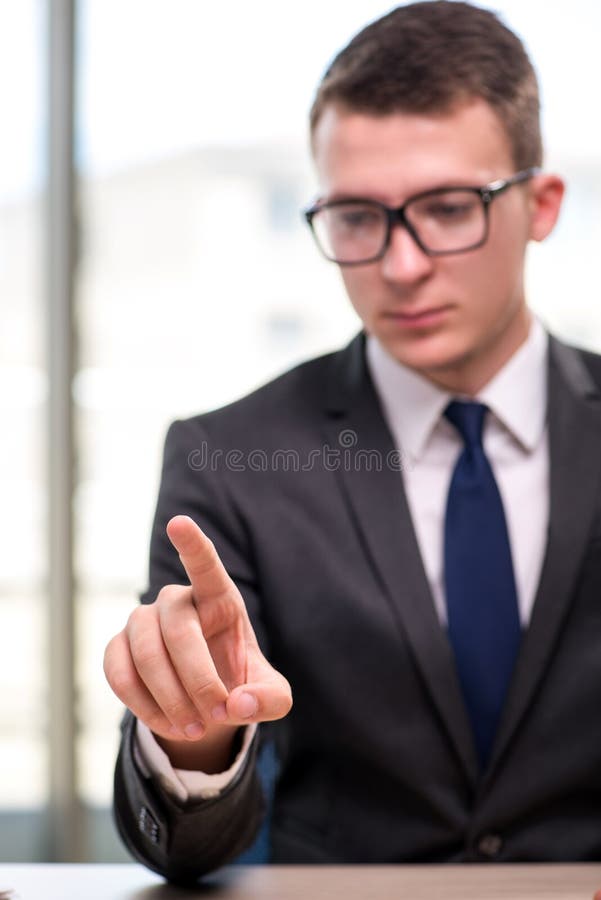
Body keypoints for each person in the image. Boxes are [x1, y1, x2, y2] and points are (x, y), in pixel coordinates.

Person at [104, 0, 601, 886]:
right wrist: (200, 734)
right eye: (357, 218)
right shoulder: (231, 459)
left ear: (542, 204)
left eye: (449, 208)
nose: (400, 265)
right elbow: (183, 851)